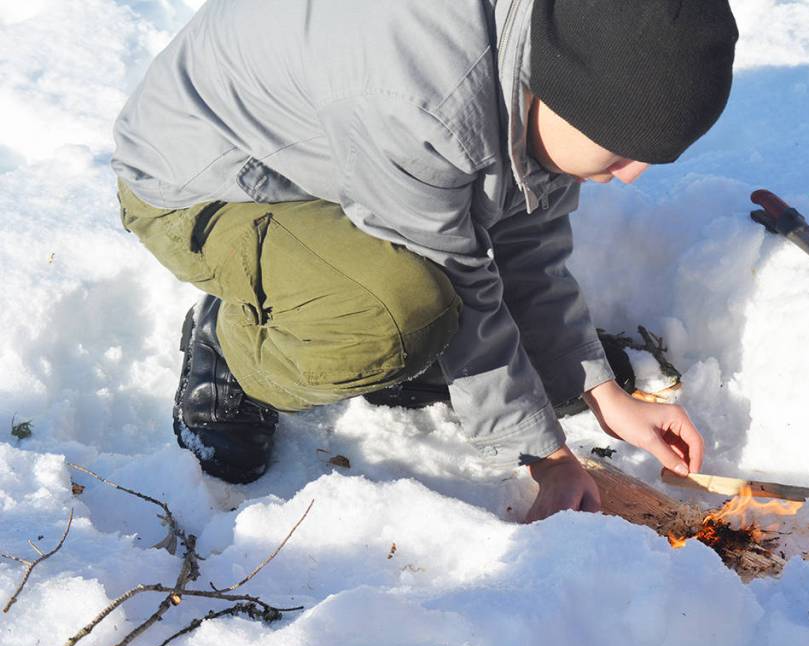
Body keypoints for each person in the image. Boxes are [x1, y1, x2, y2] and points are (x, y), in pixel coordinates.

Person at [111, 0, 738, 521]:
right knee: (397, 316)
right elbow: (460, 281)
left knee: (444, 316)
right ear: (562, 91)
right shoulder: (421, 97)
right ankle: (233, 340)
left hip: (327, 157)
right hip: (206, 185)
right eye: (621, 152)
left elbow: (528, 234)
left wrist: (598, 391)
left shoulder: (552, 41)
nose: (631, 178)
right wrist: (546, 457)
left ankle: (371, 328)